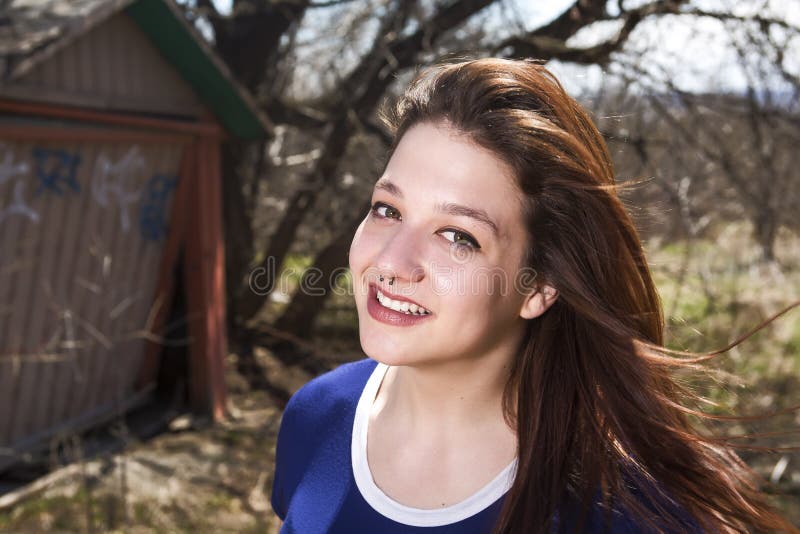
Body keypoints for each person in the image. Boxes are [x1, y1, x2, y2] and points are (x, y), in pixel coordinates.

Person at [270, 58, 798, 533]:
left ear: (540, 286)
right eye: (388, 209)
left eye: (459, 236)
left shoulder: (627, 511)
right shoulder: (315, 416)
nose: (389, 263)